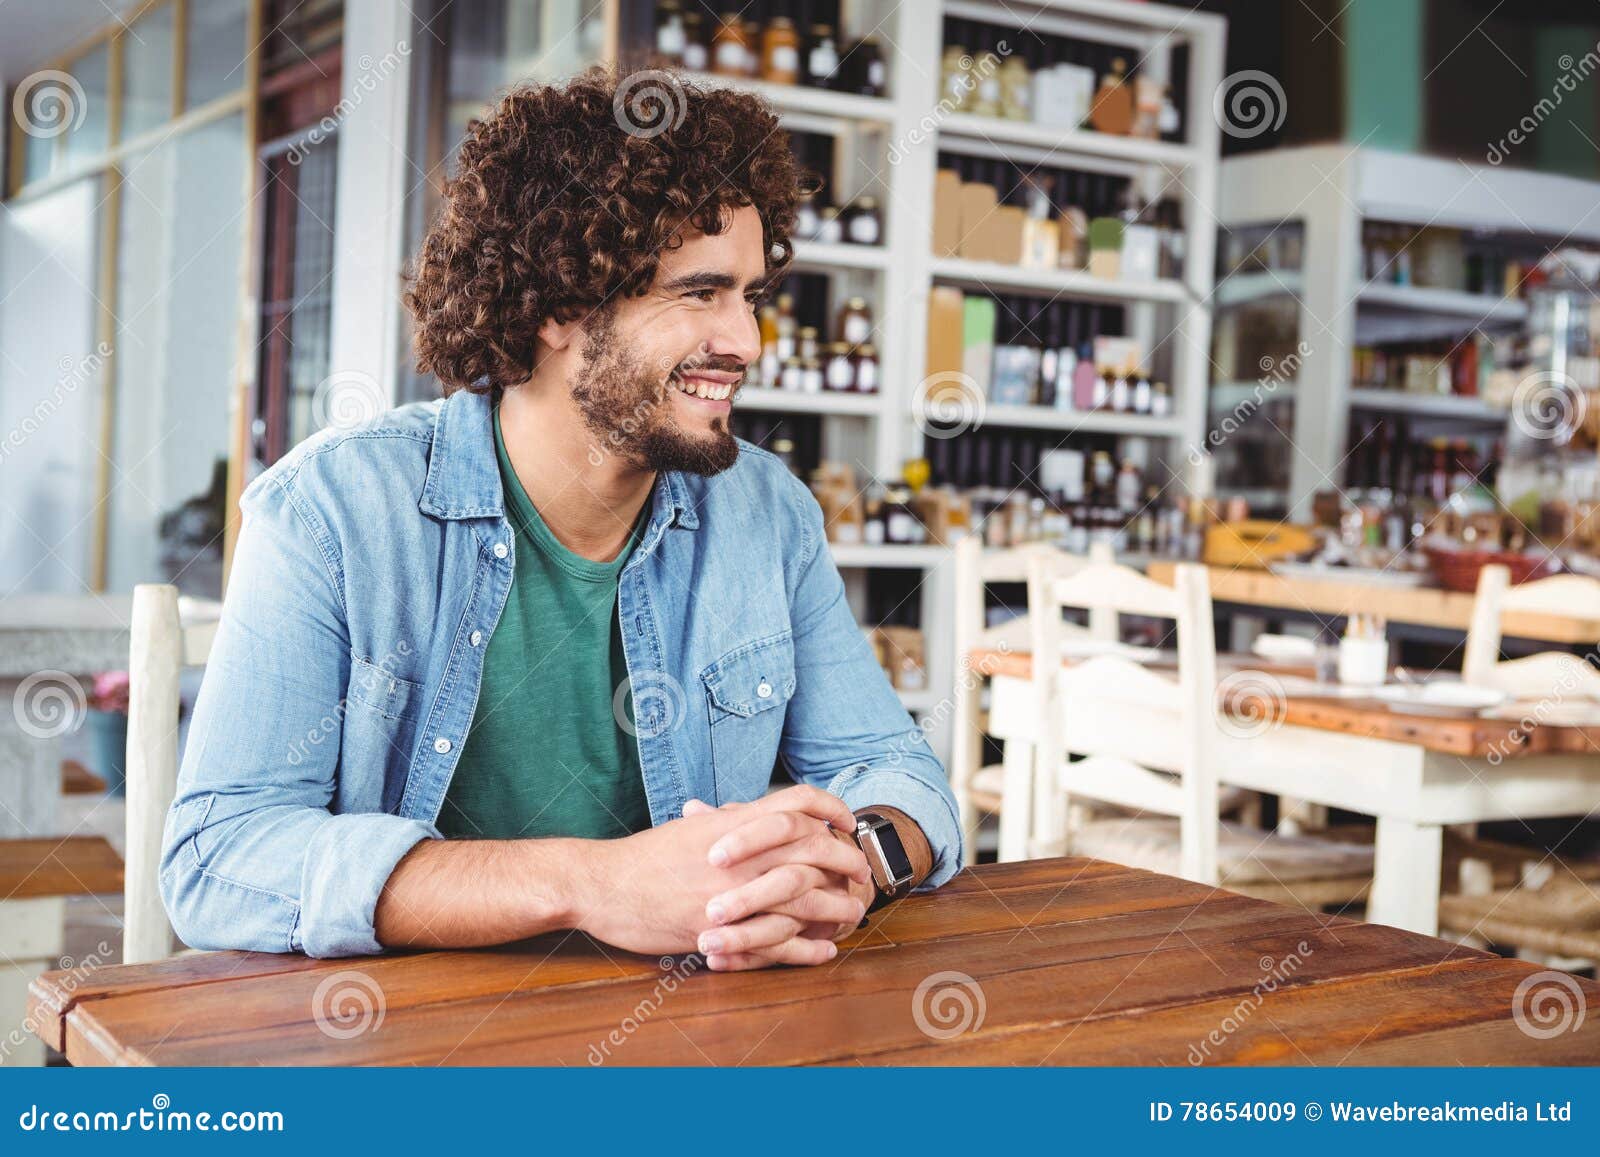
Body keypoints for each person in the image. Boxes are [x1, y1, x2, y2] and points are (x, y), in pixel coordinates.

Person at [160, 68, 960, 971]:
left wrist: (851, 859)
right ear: (554, 308)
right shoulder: (335, 510)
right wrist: (593, 881)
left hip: (685, 1035)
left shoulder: (767, 515)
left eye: (750, 296)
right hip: (398, 1043)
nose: (746, 343)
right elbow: (218, 858)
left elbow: (903, 776)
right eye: (699, 294)